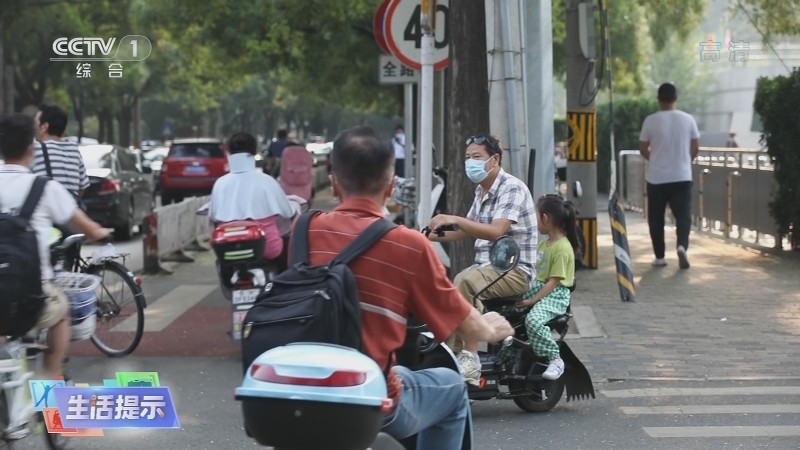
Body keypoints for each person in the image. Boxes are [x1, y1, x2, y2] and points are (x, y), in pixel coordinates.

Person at [300, 126, 515, 449]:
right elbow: (460, 318)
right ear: (390, 188)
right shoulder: (406, 245)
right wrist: (492, 329)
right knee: (453, 387)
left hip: (300, 391)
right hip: (370, 398)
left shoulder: (303, 229)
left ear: (333, 185)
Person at [0, 113, 110, 378]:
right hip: (31, 297)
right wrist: (101, 232)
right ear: (31, 149)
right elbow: (89, 228)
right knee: (61, 313)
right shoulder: (44, 187)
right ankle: (51, 375)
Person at [427, 134, 537, 386]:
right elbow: (466, 230)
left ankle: (471, 358)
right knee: (450, 287)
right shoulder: (482, 190)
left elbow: (496, 230)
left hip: (515, 271)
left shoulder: (511, 188)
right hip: (488, 269)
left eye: (477, 157)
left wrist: (454, 218)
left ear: (495, 159)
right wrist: (428, 236)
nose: (470, 163)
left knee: (465, 281)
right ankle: (451, 355)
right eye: (467, 158)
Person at [511, 195, 579, 380]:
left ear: (546, 218)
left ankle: (555, 358)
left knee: (533, 321)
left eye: (535, 216)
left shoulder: (563, 248)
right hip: (540, 289)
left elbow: (553, 282)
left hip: (555, 296)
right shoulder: (543, 244)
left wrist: (532, 300)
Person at [209, 132, 296, 271]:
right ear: (255, 151)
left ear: (228, 151)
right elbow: (287, 212)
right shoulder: (267, 181)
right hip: (268, 250)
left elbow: (212, 217)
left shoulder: (220, 184)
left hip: (229, 251)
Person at [639, 83, 699, 269]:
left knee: (655, 218)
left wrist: (655, 159)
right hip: (682, 175)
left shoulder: (650, 120)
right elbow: (696, 146)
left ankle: (660, 256)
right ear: (675, 98)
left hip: (656, 178)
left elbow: (642, 148)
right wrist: (683, 161)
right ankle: (682, 246)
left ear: (659, 100)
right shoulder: (688, 119)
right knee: (683, 215)